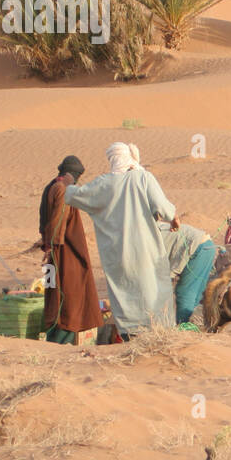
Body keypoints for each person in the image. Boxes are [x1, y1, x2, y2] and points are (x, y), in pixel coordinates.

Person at [65, 143, 177, 336]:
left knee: (124, 296)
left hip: (117, 255)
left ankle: (129, 336)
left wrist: (67, 185)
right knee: (152, 293)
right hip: (145, 251)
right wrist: (174, 217)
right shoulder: (143, 177)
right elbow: (164, 209)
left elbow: (75, 195)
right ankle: (157, 335)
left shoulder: (103, 184)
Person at [35, 155, 104, 343]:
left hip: (55, 250)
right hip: (64, 252)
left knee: (55, 291)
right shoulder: (61, 189)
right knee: (69, 294)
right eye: (76, 176)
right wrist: (51, 247)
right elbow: (58, 221)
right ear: (69, 174)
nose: (77, 180)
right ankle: (61, 339)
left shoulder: (51, 186)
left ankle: (58, 336)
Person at [160, 220, 216, 325]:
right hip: (207, 246)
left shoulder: (147, 236)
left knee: (186, 291)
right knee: (194, 292)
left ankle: (183, 327)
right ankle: (190, 323)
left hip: (199, 248)